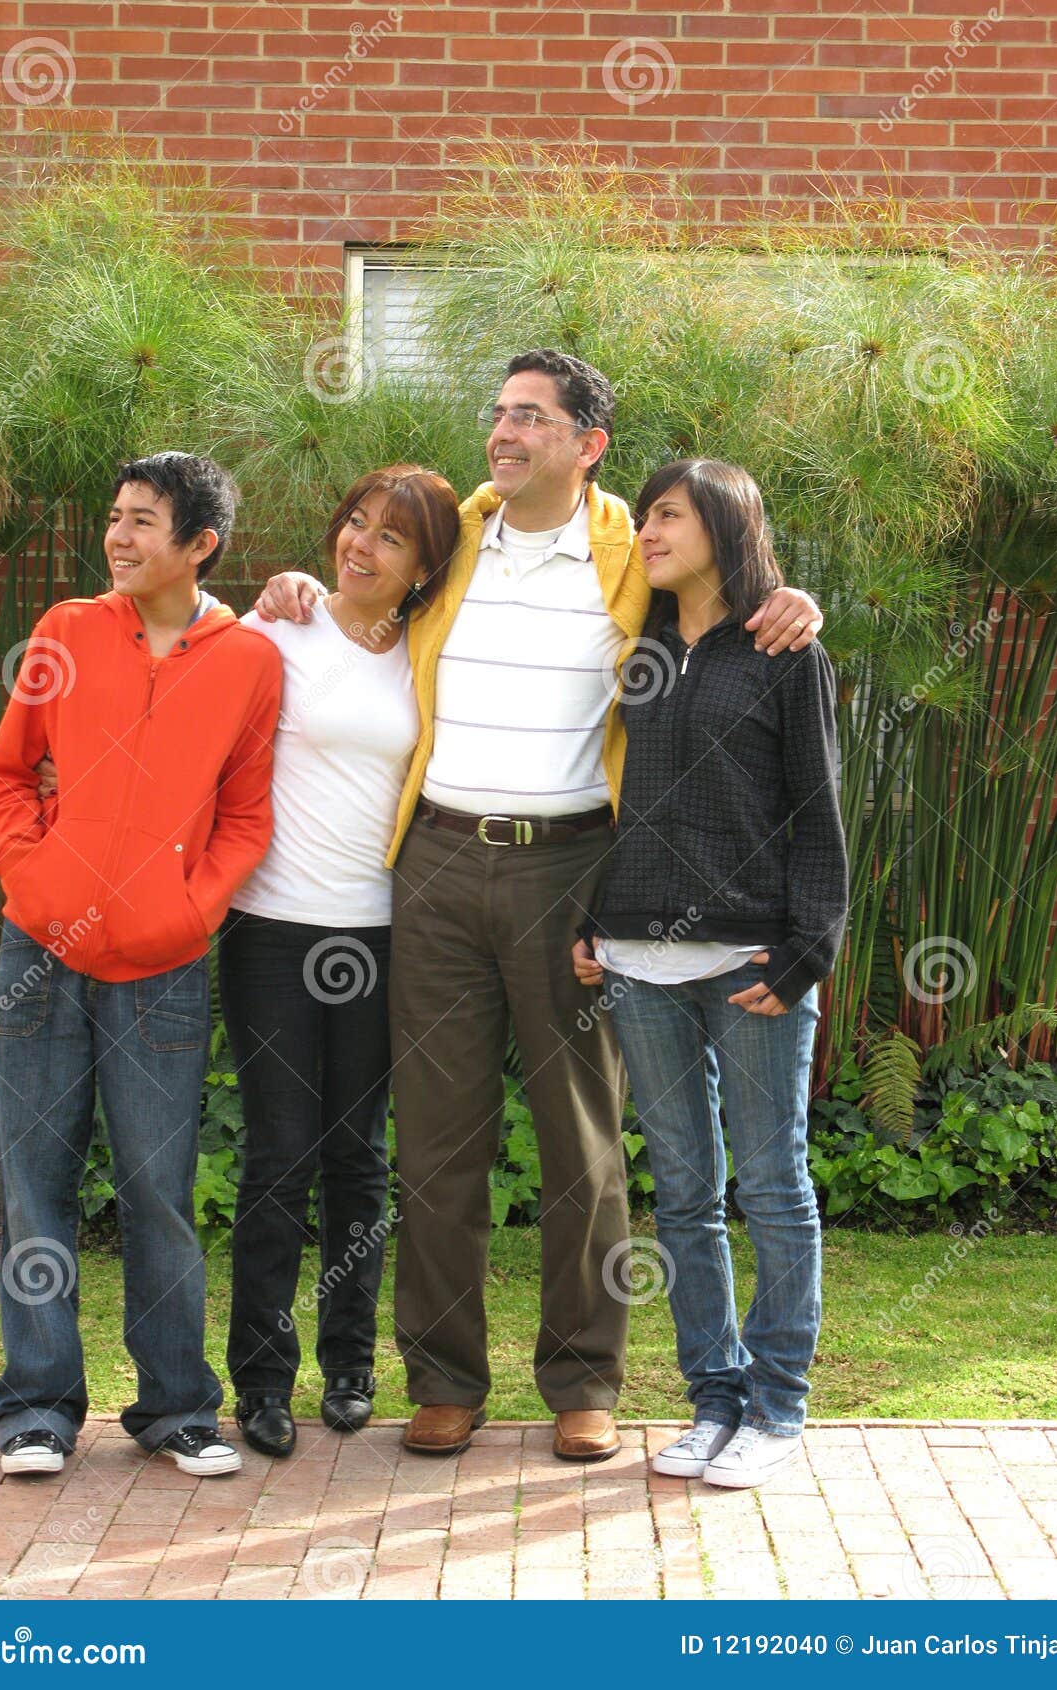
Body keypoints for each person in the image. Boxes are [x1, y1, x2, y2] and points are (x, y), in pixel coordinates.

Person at [257, 349, 823, 1462]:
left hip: (574, 870)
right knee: (434, 1136)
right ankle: (444, 1378)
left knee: (581, 1138)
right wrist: (292, 590)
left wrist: (793, 598)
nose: (504, 432)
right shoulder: (453, 537)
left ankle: (581, 1376)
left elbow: (729, 586)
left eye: (531, 416)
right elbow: (358, 582)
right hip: (432, 863)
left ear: (585, 442)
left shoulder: (629, 551)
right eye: (498, 413)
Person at [0, 451, 281, 1478]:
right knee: (31, 1179)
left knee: (157, 1185)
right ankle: (35, 1407)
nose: (119, 536)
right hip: (40, 949)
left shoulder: (248, 660)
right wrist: (39, 878)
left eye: (143, 521)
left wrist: (190, 908)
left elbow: (244, 816)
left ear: (201, 544)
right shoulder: (64, 631)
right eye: (114, 517)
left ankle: (178, 1407)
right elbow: (3, 779)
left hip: (161, 962)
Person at [573, 458, 847, 1488]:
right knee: (683, 1191)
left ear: (725, 527)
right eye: (642, 514)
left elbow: (817, 816)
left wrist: (803, 947)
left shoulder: (782, 651)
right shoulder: (636, 646)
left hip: (749, 960)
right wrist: (593, 919)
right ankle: (712, 1399)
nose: (647, 530)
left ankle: (777, 1406)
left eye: (669, 514)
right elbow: (617, 793)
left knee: (771, 1182)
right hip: (638, 958)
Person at [220, 465, 460, 1460]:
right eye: (353, 523)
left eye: (389, 538)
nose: (359, 544)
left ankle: (351, 1365)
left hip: (376, 933)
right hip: (269, 928)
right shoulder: (276, 626)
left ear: (421, 569)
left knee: (359, 1156)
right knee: (278, 1157)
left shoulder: (429, 655)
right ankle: (264, 1382)